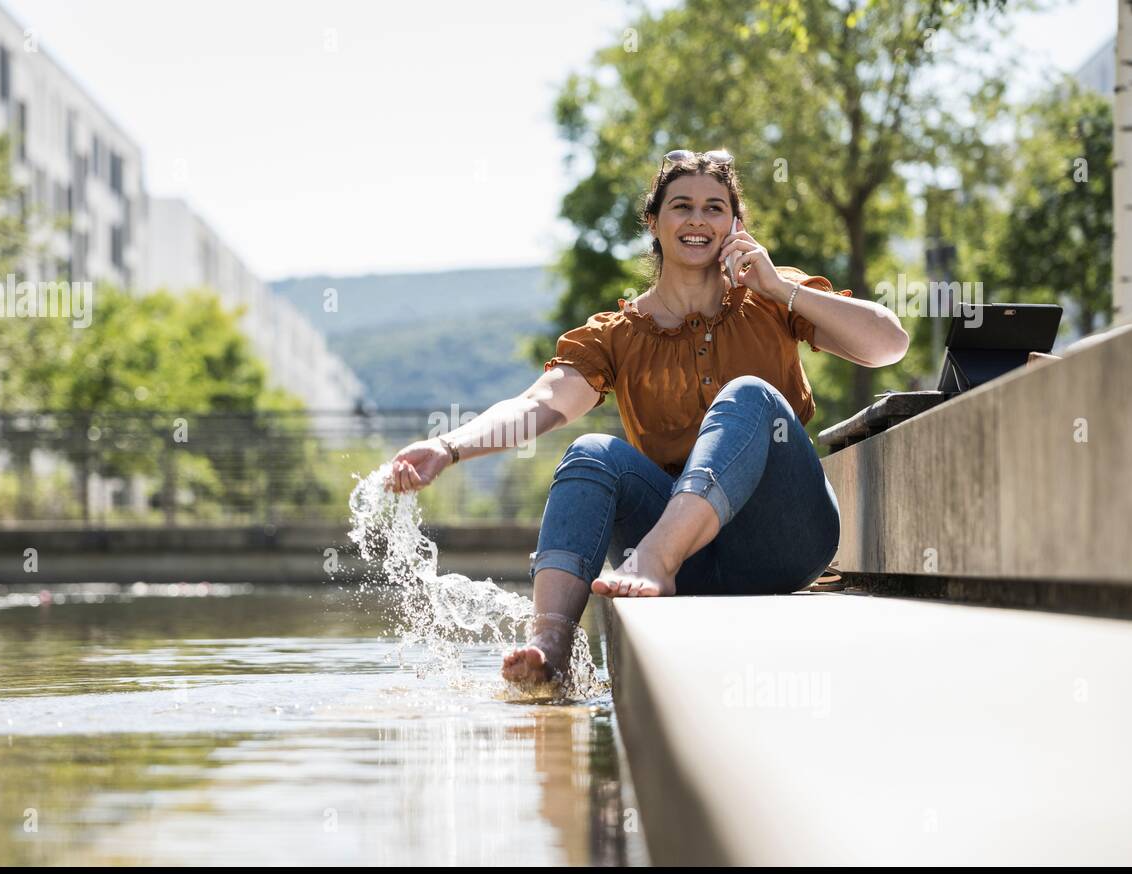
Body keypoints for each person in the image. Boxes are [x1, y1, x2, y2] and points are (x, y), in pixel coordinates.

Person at [384, 149, 909, 686]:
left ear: (735, 224)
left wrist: (779, 287)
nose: (698, 220)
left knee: (750, 395)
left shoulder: (772, 299)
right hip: (693, 565)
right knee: (590, 452)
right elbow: (538, 405)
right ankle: (549, 650)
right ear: (654, 223)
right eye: (681, 206)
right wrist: (448, 447)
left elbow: (889, 344)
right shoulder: (617, 334)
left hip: (784, 540)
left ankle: (656, 560)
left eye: (715, 208)